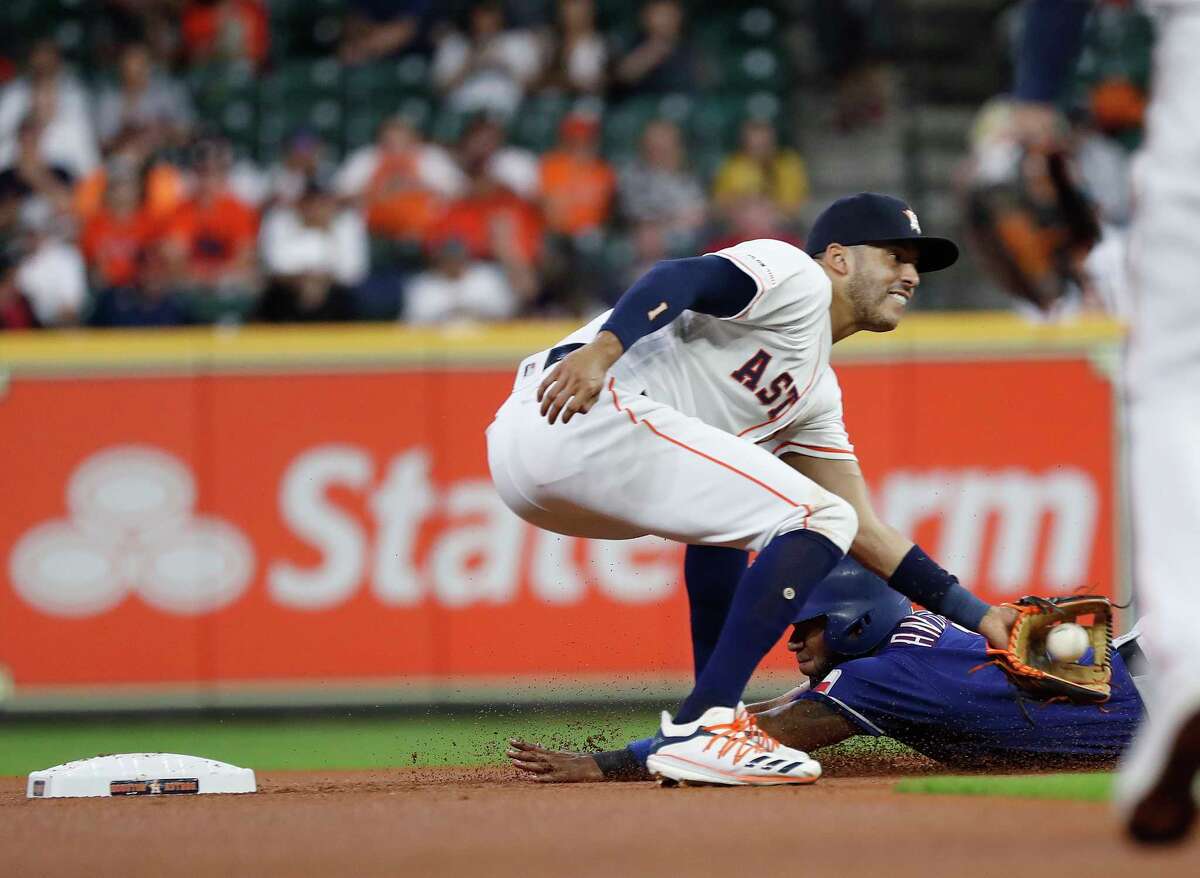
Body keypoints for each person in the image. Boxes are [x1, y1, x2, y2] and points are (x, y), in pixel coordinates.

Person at [485, 192, 1018, 787]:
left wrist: (981, 617)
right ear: (839, 258)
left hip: (556, 468)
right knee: (817, 516)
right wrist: (603, 351)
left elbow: (866, 531)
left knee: (745, 523)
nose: (911, 275)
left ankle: (711, 724)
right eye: (895, 256)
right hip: (576, 406)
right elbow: (677, 277)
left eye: (915, 264)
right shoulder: (797, 277)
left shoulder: (816, 395)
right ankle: (705, 727)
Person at [1011, 0, 1200, 845]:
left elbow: (1080, 229)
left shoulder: (1113, 256)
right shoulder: (1100, 258)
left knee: (1170, 393)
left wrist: (1037, 92)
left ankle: (1185, 668)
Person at [509, 557, 1147, 782]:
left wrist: (605, 764)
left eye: (806, 624)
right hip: (1142, 670)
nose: (792, 641)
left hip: (1158, 714)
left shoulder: (877, 678)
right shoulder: (908, 637)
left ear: (852, 620)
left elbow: (746, 738)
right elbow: (770, 708)